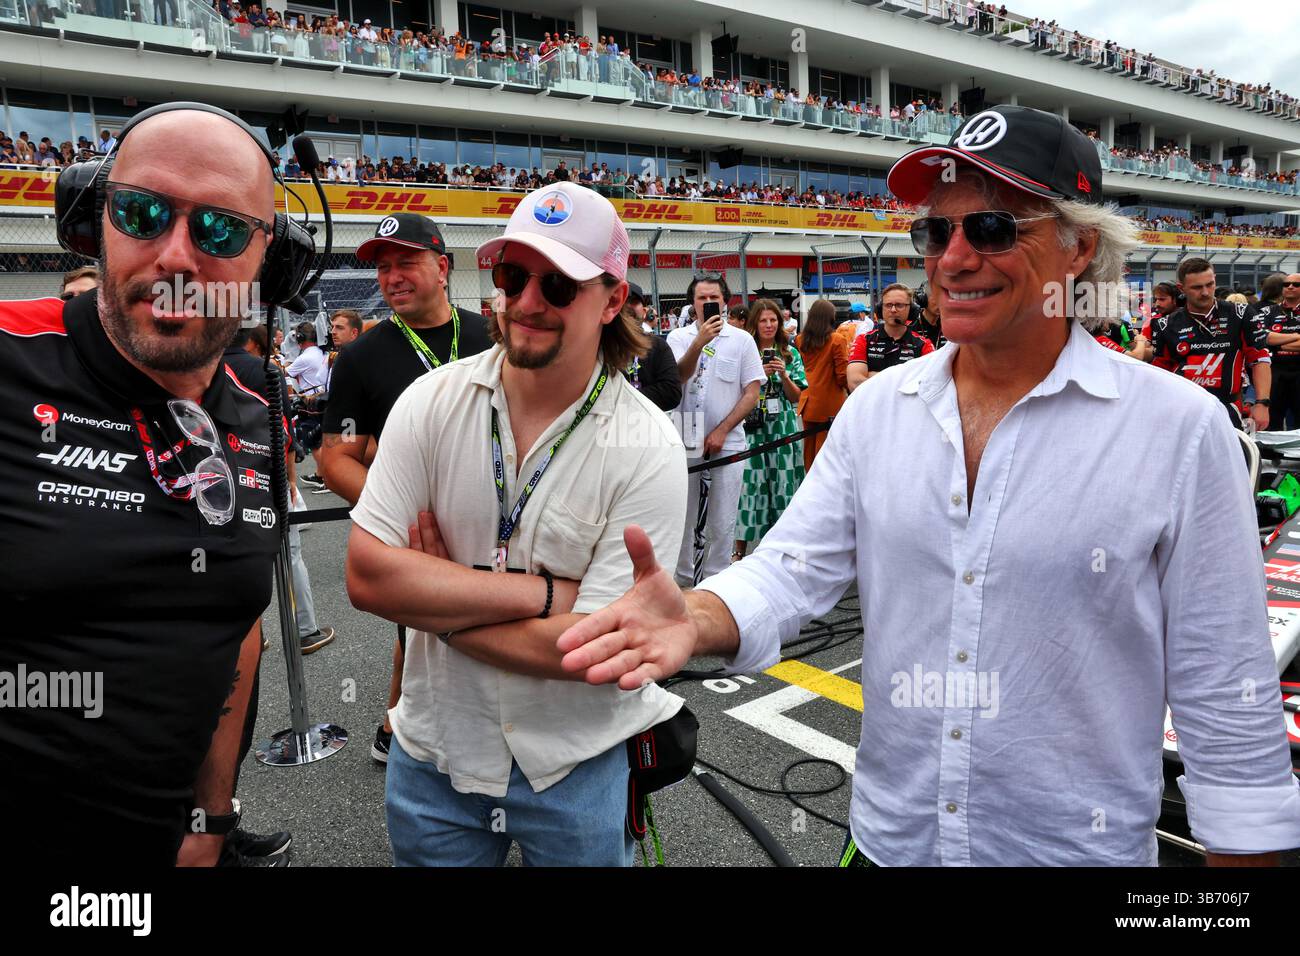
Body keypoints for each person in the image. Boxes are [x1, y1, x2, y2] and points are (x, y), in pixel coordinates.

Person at [557, 105, 1300, 866]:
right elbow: (793, 568)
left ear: (1079, 248)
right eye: (935, 232)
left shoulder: (1179, 429)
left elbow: (1226, 697)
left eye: (993, 229)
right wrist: (697, 613)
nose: (952, 258)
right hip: (890, 843)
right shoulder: (881, 407)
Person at [345, 182, 687, 866]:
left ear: (613, 300)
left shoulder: (647, 444)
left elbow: (595, 654)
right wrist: (545, 596)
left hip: (575, 766)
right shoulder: (429, 401)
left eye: (559, 284)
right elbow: (367, 575)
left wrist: (435, 602)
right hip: (434, 754)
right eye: (512, 275)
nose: (529, 302)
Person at [0, 103, 299, 865]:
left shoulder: (261, 407)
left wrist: (212, 819)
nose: (175, 258)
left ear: (274, 265)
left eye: (222, 230)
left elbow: (234, 631)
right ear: (91, 222)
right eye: (141, 213)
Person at [319, 213, 492, 764]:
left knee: (501, 625)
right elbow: (336, 458)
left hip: (505, 517)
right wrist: (398, 514)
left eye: (406, 262)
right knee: (419, 631)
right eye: (383, 267)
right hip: (421, 533)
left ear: (442, 267)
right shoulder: (360, 356)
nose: (391, 276)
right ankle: (402, 728)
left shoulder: (492, 335)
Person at [224, 325, 335, 656]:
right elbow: (283, 431)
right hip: (266, 474)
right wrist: (289, 480)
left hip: (223, 480)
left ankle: (248, 637)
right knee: (291, 555)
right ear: (255, 343)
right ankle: (306, 631)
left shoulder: (202, 367)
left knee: (236, 559)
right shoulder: (264, 370)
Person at [666, 273, 764, 585]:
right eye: (702, 299)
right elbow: (676, 380)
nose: (708, 304)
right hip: (685, 436)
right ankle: (682, 579)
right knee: (683, 514)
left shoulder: (742, 340)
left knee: (723, 518)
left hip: (730, 440)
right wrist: (698, 343)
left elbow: (752, 393)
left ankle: (717, 581)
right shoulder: (678, 338)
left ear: (725, 302)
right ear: (692, 303)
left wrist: (723, 430)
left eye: (714, 299)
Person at [1150, 257, 1271, 430]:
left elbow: (1259, 359)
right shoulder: (1165, 324)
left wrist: (1262, 402)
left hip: (1228, 407)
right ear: (1181, 288)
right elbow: (1160, 371)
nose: (1205, 292)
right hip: (1184, 409)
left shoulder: (1240, 314)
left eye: (1210, 284)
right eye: (1197, 287)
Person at [734, 298, 806, 559]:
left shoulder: (790, 352)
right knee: (750, 486)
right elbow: (734, 391)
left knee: (784, 485)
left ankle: (781, 549)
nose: (768, 325)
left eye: (773, 320)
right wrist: (760, 374)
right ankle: (738, 552)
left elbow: (796, 396)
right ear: (755, 323)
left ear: (780, 323)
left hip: (783, 427)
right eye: (763, 320)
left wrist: (784, 374)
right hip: (752, 425)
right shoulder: (744, 350)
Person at [847, 284, 933, 393]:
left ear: (911, 310)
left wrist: (873, 375)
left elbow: (929, 386)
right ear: (880, 309)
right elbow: (855, 383)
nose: (893, 310)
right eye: (888, 305)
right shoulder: (864, 340)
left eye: (899, 305)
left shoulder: (924, 345)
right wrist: (907, 384)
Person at [794, 299, 847, 471]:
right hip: (830, 404)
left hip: (808, 401)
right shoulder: (837, 340)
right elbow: (842, 376)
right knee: (827, 455)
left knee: (809, 453)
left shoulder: (801, 340)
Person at [621, 281, 682, 412]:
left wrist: (623, 399)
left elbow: (671, 393)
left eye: (634, 301)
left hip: (648, 425)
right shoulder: (601, 345)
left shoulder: (657, 345)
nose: (628, 306)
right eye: (623, 300)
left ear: (644, 311)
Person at [1258, 274, 1300, 430]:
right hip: (1274, 372)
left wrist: (1278, 343)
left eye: (1296, 285)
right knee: (1272, 421)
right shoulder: (1268, 311)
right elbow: (1264, 337)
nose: (1290, 287)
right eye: (1286, 284)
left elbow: (1272, 340)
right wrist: (1295, 337)